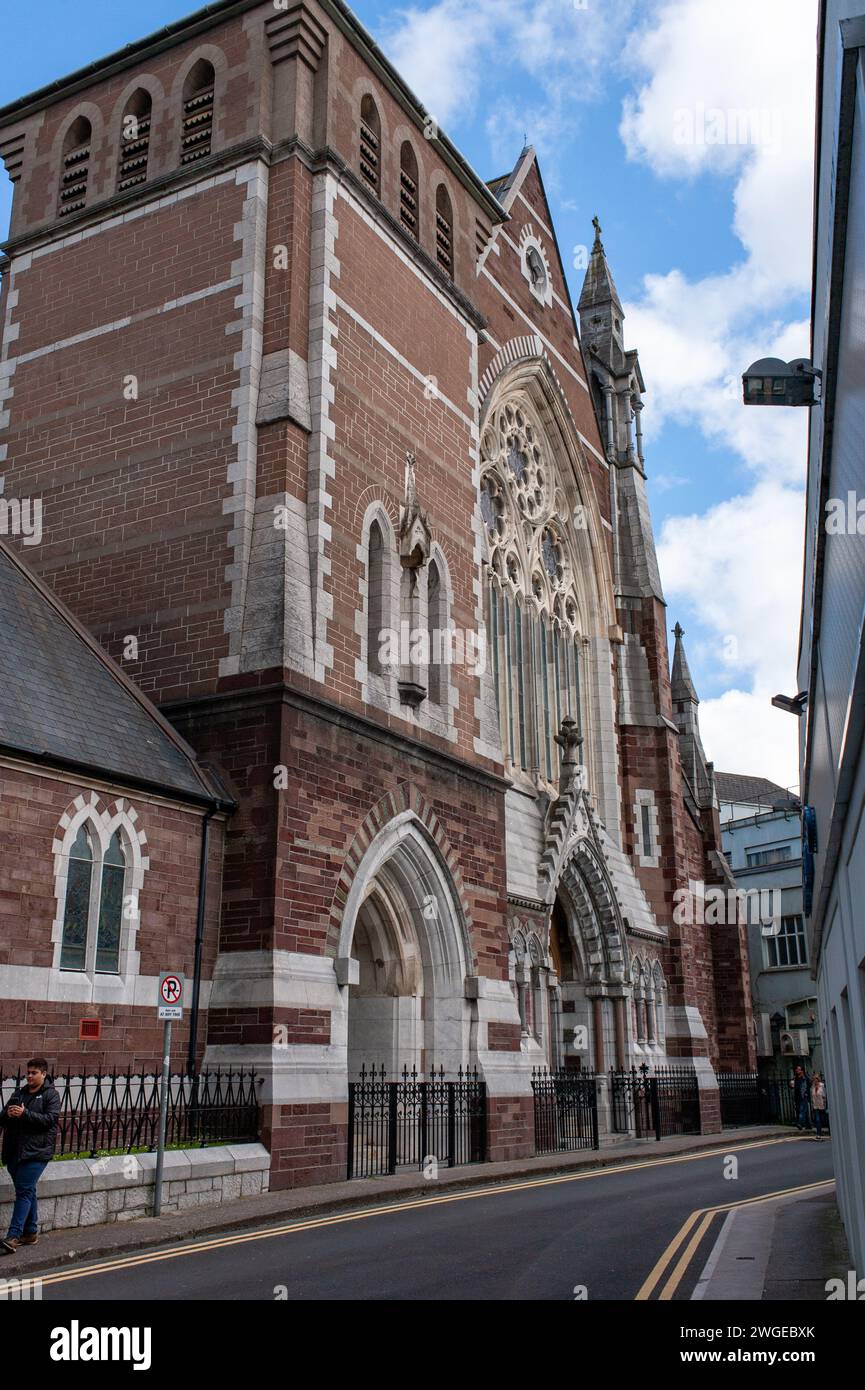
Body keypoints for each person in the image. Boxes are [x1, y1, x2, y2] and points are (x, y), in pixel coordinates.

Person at [0, 1057, 61, 1254]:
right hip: (14, 1152)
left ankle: (13, 1236)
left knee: (24, 1191)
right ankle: (31, 1232)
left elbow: (50, 1120)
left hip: (37, 1153)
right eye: (28, 1073)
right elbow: (2, 1117)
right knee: (28, 1190)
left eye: (34, 1073)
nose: (29, 1076)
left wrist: (25, 1114)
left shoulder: (51, 1095)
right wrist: (8, 1113)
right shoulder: (20, 1094)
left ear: (44, 1074)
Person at [791, 1064, 811, 1131]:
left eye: (799, 1069)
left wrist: (806, 1093)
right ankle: (808, 1125)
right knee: (803, 1110)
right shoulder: (795, 1078)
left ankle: (799, 1123)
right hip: (797, 1097)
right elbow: (793, 1086)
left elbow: (809, 1085)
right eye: (797, 1069)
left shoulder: (805, 1078)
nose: (797, 1070)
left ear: (802, 1071)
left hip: (803, 1096)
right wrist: (791, 1085)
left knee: (802, 1110)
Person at [810, 1071, 828, 1140]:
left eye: (816, 1079)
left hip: (822, 1106)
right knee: (818, 1120)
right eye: (814, 1079)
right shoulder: (812, 1087)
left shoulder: (822, 1086)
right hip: (816, 1106)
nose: (815, 1081)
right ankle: (818, 1134)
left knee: (823, 1120)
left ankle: (827, 1132)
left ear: (818, 1079)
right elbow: (812, 1096)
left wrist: (825, 1104)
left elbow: (825, 1096)